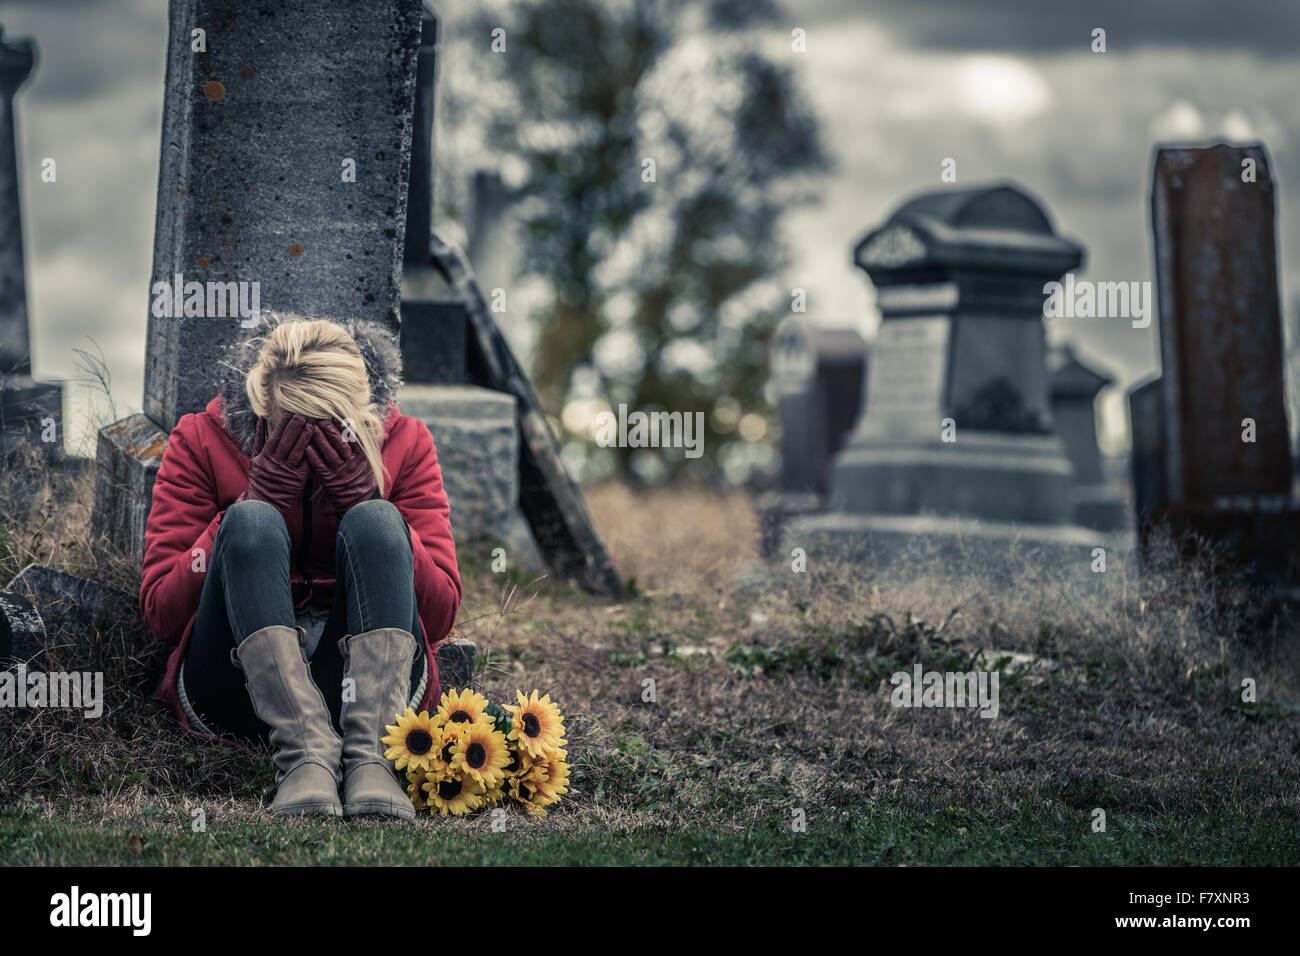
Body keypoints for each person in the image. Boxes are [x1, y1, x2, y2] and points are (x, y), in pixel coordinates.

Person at [139, 315, 461, 820]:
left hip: (370, 692)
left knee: (379, 520)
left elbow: (440, 618)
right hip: (239, 691)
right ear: (262, 408)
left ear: (363, 416)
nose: (310, 449)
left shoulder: (408, 442)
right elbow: (161, 613)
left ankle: (371, 759)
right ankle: (303, 756)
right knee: (250, 522)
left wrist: (367, 504)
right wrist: (248, 506)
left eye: (331, 429)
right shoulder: (200, 439)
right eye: (292, 426)